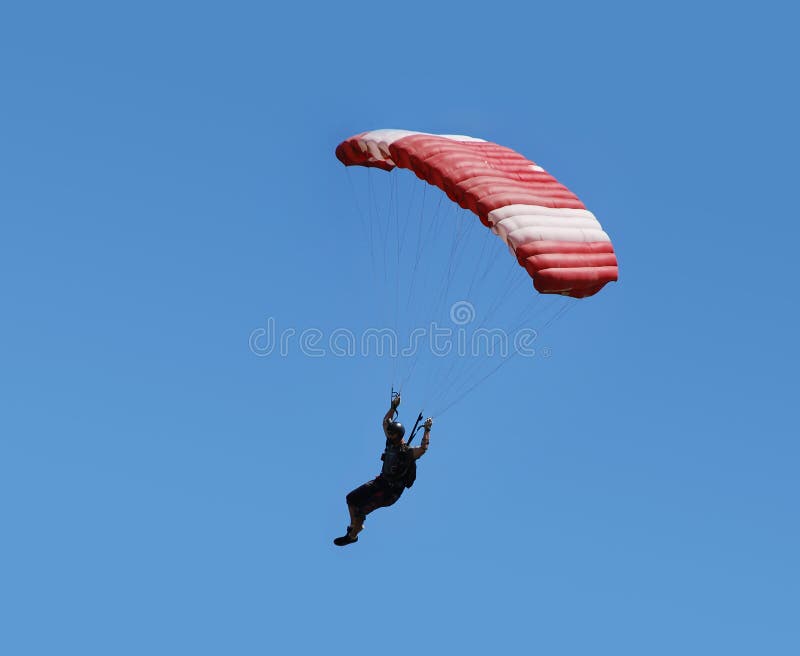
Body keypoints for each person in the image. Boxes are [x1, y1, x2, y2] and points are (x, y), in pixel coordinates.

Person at [334, 394, 432, 547]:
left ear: (397, 435)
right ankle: (354, 525)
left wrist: (427, 430)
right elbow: (385, 421)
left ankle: (353, 535)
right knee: (351, 499)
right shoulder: (390, 441)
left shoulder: (407, 452)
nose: (388, 434)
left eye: (391, 433)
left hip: (390, 492)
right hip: (381, 482)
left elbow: (423, 449)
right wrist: (393, 407)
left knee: (360, 510)